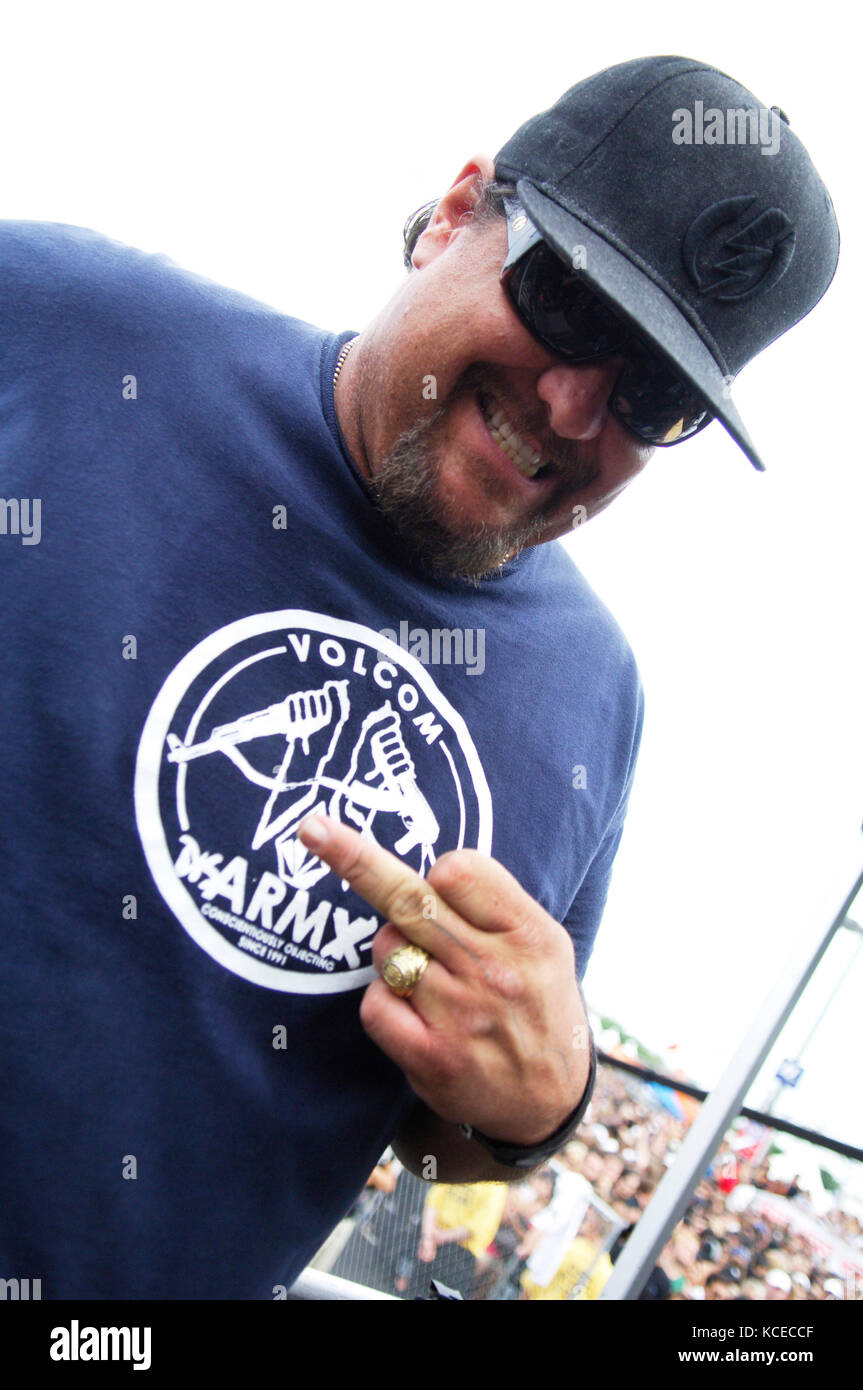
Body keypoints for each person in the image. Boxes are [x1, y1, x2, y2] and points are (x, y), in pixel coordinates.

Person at [0, 55, 838, 1298]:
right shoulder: (54, 328)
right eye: (566, 302)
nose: (568, 405)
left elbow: (421, 1123)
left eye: (652, 395)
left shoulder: (590, 697)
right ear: (454, 214)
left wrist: (531, 1107)